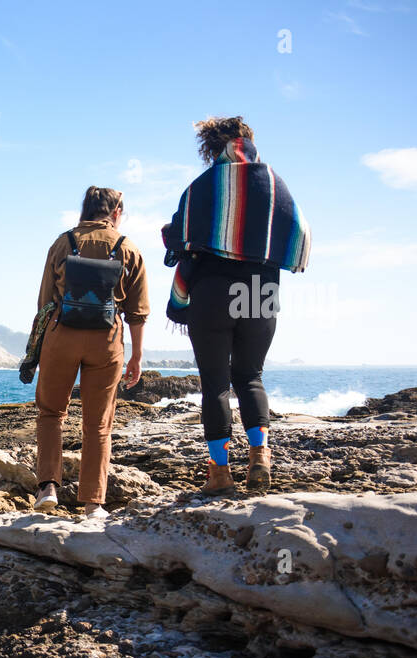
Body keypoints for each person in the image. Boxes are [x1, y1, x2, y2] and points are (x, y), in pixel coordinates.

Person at [161, 116, 311, 494]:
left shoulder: (204, 185)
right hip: (261, 290)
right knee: (251, 376)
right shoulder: (275, 185)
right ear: (248, 142)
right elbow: (300, 233)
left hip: (212, 292)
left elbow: (179, 235)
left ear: (213, 147)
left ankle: (220, 473)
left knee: (216, 385)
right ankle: (260, 457)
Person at [19, 186, 148, 518]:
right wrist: (136, 356)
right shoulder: (128, 248)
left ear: (85, 209)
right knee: (99, 424)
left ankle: (47, 487)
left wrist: (39, 344)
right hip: (107, 341)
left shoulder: (63, 243)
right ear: (116, 212)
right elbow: (138, 311)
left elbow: (45, 302)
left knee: (51, 413)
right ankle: (93, 503)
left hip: (62, 333)